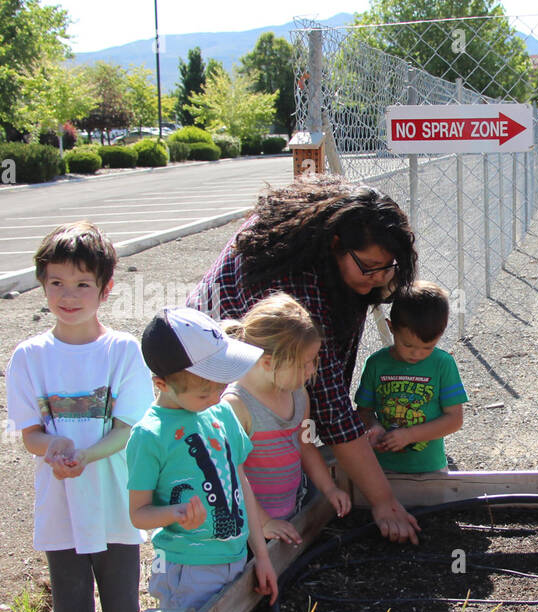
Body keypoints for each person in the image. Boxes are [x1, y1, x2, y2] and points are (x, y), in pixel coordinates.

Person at [189, 176, 421, 543]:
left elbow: (330, 375)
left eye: (387, 267)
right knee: (236, 447)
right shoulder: (295, 282)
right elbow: (330, 403)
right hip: (209, 359)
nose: (379, 279)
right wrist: (384, 501)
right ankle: (249, 524)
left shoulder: (343, 254)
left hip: (266, 358)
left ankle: (283, 500)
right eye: (369, 267)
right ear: (335, 245)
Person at [6, 222, 154, 612]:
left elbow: (125, 430)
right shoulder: (30, 357)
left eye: (82, 285)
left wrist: (87, 457)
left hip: (115, 504)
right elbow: (30, 434)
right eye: (56, 284)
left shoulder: (122, 352)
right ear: (42, 286)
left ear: (106, 289)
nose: (68, 297)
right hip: (60, 509)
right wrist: (54, 448)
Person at [127, 307, 278, 612]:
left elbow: (240, 481)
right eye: (204, 392)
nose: (217, 395)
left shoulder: (221, 412)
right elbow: (139, 514)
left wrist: (260, 555)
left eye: (221, 384)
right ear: (162, 385)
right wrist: (176, 512)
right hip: (186, 569)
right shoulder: (149, 436)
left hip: (236, 557)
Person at [222, 292, 352, 543]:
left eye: (313, 361)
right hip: (249, 530)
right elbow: (231, 476)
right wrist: (264, 522)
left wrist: (329, 488)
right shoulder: (237, 406)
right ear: (269, 363)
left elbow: (304, 445)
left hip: (288, 517)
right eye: (304, 364)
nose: (312, 370)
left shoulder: (299, 395)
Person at [355, 281, 467, 474]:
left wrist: (410, 435)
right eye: (407, 345)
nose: (416, 354)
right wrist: (374, 427)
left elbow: (454, 419)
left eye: (427, 348)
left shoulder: (442, 364)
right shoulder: (376, 364)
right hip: (382, 467)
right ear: (391, 327)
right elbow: (363, 411)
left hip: (430, 466)